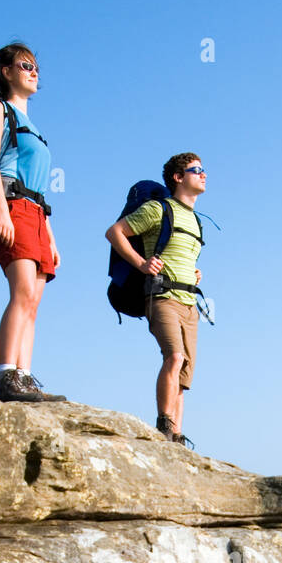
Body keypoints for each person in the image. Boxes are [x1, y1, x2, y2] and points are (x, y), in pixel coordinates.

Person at [0, 42, 66, 403]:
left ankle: (25, 376)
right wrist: (0, 211)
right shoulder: (0, 109)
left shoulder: (33, 124)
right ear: (6, 71)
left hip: (37, 214)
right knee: (22, 293)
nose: (34, 71)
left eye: (36, 67)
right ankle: (6, 377)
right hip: (13, 206)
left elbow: (41, 189)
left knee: (35, 301)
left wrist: (50, 235)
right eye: (24, 64)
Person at [105, 154, 206, 442]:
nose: (203, 174)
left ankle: (176, 435)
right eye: (196, 170)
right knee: (173, 356)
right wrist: (141, 263)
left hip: (190, 302)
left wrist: (195, 272)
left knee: (184, 377)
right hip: (162, 296)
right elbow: (115, 233)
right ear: (178, 177)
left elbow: (182, 253)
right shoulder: (157, 209)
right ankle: (164, 423)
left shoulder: (197, 220)